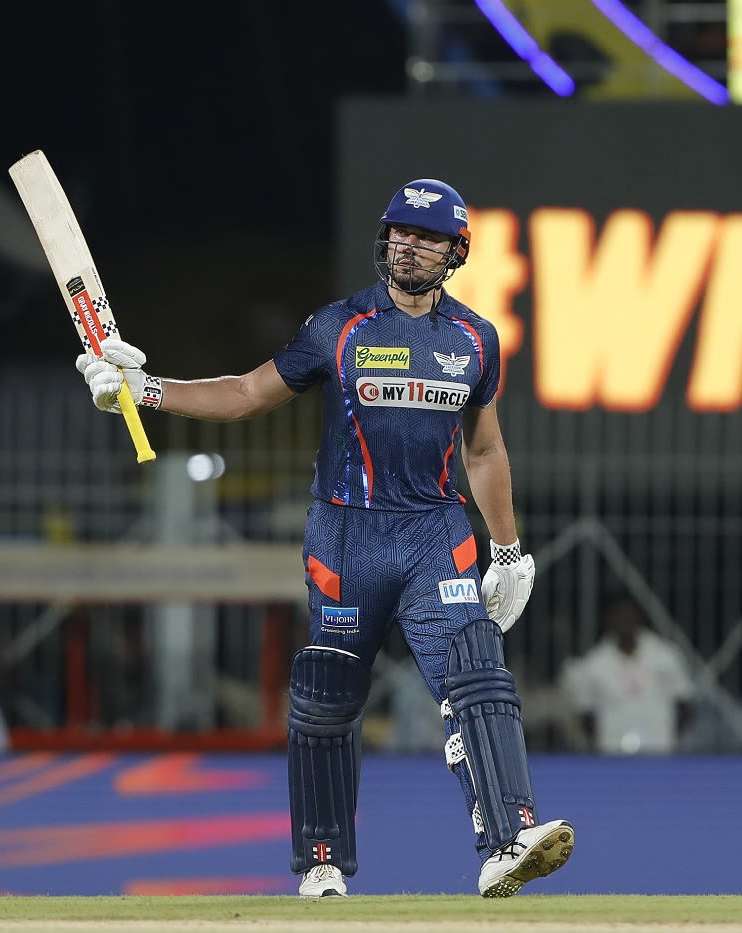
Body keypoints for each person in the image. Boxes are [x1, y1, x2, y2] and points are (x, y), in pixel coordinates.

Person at [75, 178, 573, 898]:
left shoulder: (475, 340)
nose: (408, 242)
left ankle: (506, 841)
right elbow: (247, 394)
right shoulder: (336, 327)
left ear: (456, 251)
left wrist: (506, 549)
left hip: (435, 529)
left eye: (426, 235)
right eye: (399, 229)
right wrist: (144, 388)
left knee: (477, 667)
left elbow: (486, 452)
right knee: (328, 694)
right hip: (345, 532)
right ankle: (322, 860)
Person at [560, 592, 695, 755]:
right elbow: (586, 715)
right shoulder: (594, 663)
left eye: (629, 615)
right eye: (618, 615)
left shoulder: (665, 655)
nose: (624, 620)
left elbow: (685, 705)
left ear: (640, 617)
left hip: (660, 752)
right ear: (608, 619)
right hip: (612, 753)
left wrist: (667, 736)